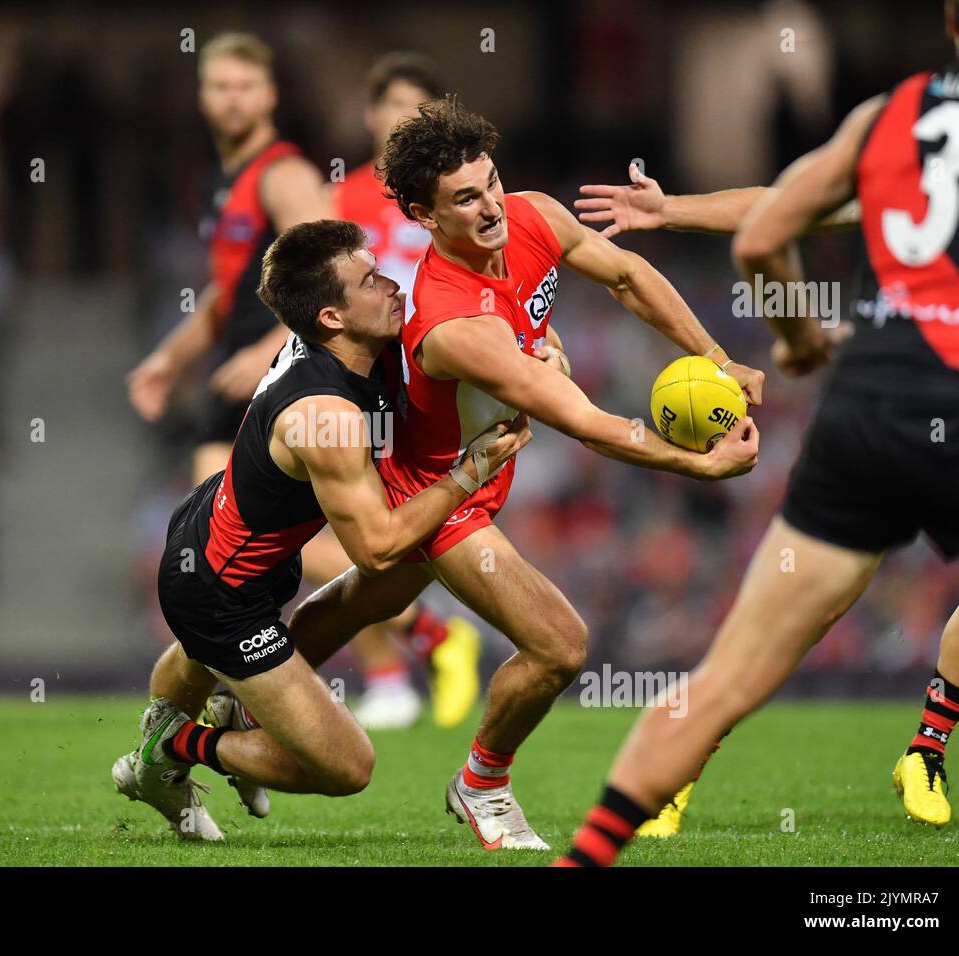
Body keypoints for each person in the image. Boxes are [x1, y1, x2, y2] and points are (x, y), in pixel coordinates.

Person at [243, 98, 762, 851]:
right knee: (560, 646)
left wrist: (717, 357)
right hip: (436, 487)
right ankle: (482, 782)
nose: (490, 206)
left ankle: (243, 703)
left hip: (479, 464)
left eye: (491, 182)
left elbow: (625, 275)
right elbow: (583, 423)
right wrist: (701, 465)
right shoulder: (455, 326)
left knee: (363, 601)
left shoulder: (531, 215)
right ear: (422, 214)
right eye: (465, 198)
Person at [557, 0, 959, 866]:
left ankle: (922, 755)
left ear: (950, 24)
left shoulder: (889, 116)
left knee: (758, 649)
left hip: (866, 402)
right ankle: (700, 771)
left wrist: (795, 340)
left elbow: (775, 221)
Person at [112, 219, 530, 841]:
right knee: (346, 767)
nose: (392, 285)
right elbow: (376, 548)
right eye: (370, 280)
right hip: (218, 591)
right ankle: (176, 749)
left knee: (208, 656)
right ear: (333, 317)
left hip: (232, 540)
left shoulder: (356, 342)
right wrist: (468, 474)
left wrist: (534, 361)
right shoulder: (324, 415)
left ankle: (209, 712)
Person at [323, 51, 480, 732]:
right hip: (364, 379)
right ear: (369, 115)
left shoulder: (450, 197)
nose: (400, 122)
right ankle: (401, 666)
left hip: (432, 378)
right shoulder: (342, 199)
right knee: (342, 528)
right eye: (391, 108)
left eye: (415, 113)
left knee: (391, 535)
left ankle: (427, 646)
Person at [127, 31, 331, 485]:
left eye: (246, 86)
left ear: (270, 95)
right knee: (216, 538)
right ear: (202, 97)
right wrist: (168, 360)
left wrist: (270, 351)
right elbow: (229, 291)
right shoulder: (219, 184)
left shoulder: (285, 175)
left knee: (235, 541)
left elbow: (336, 272)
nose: (233, 99)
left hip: (294, 375)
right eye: (221, 87)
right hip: (240, 377)